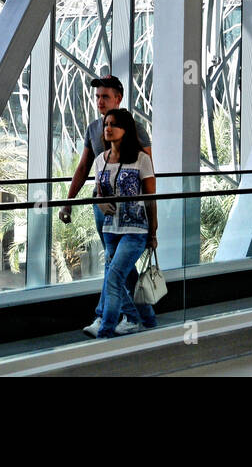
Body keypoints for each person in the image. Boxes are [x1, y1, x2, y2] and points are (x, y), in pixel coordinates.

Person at [59, 75, 154, 331]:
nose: (100, 101)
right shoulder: (94, 128)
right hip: (104, 210)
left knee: (113, 264)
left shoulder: (135, 128)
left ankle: (107, 316)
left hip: (131, 212)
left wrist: (149, 221)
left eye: (105, 96)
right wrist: (68, 202)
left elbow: (146, 169)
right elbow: (83, 167)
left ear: (118, 98)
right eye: (98, 96)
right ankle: (143, 315)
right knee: (116, 263)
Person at [87, 107, 156, 338]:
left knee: (114, 276)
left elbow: (150, 199)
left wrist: (153, 232)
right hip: (110, 229)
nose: (108, 128)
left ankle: (106, 331)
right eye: (107, 124)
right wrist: (99, 202)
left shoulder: (141, 159)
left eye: (114, 124)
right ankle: (146, 318)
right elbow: (98, 194)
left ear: (125, 130)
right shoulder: (100, 161)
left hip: (135, 230)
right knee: (127, 277)